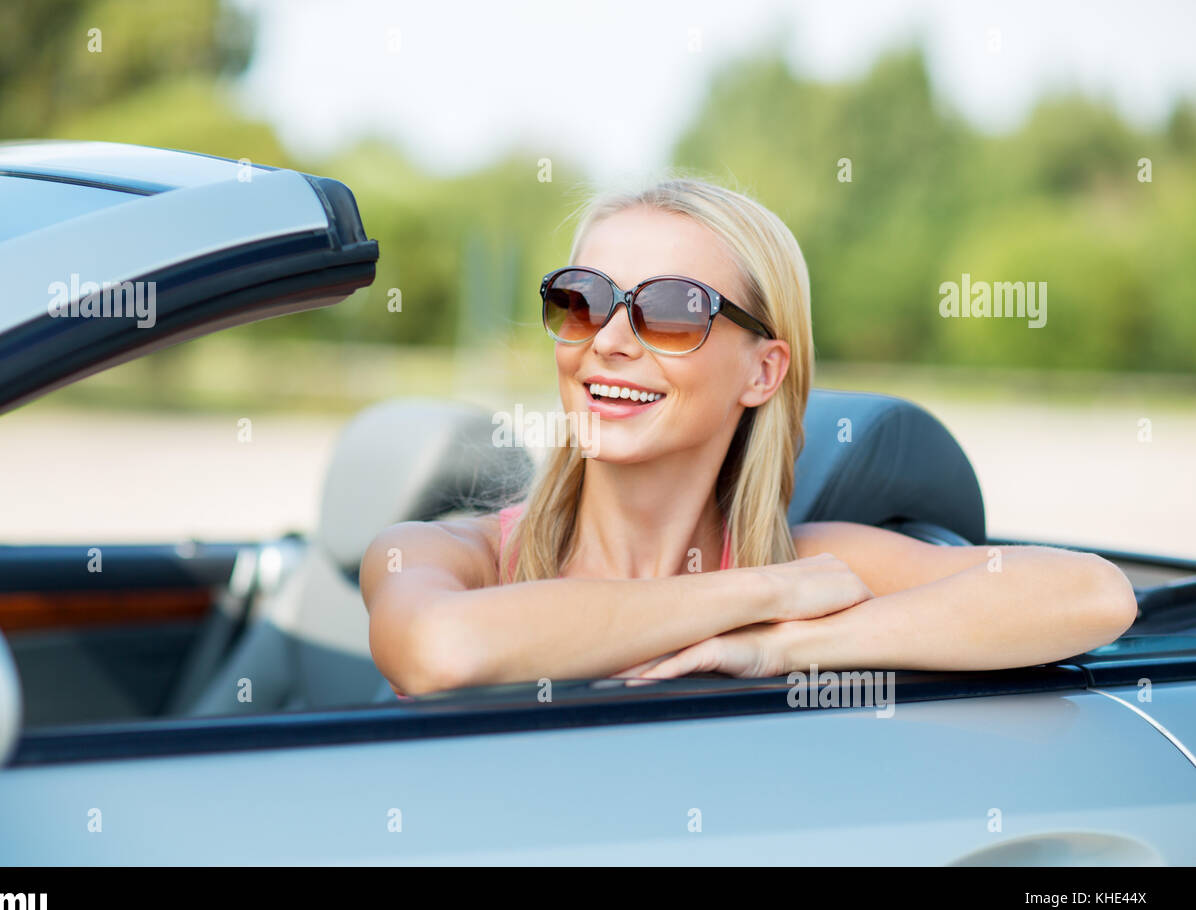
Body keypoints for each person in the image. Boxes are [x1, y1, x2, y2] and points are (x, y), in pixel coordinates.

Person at [361, 176, 1137, 698]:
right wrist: (761, 597)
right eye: (584, 300)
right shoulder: (452, 558)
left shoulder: (809, 562)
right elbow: (437, 650)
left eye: (670, 310)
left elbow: (1091, 594)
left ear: (763, 372)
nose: (610, 340)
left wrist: (783, 646)